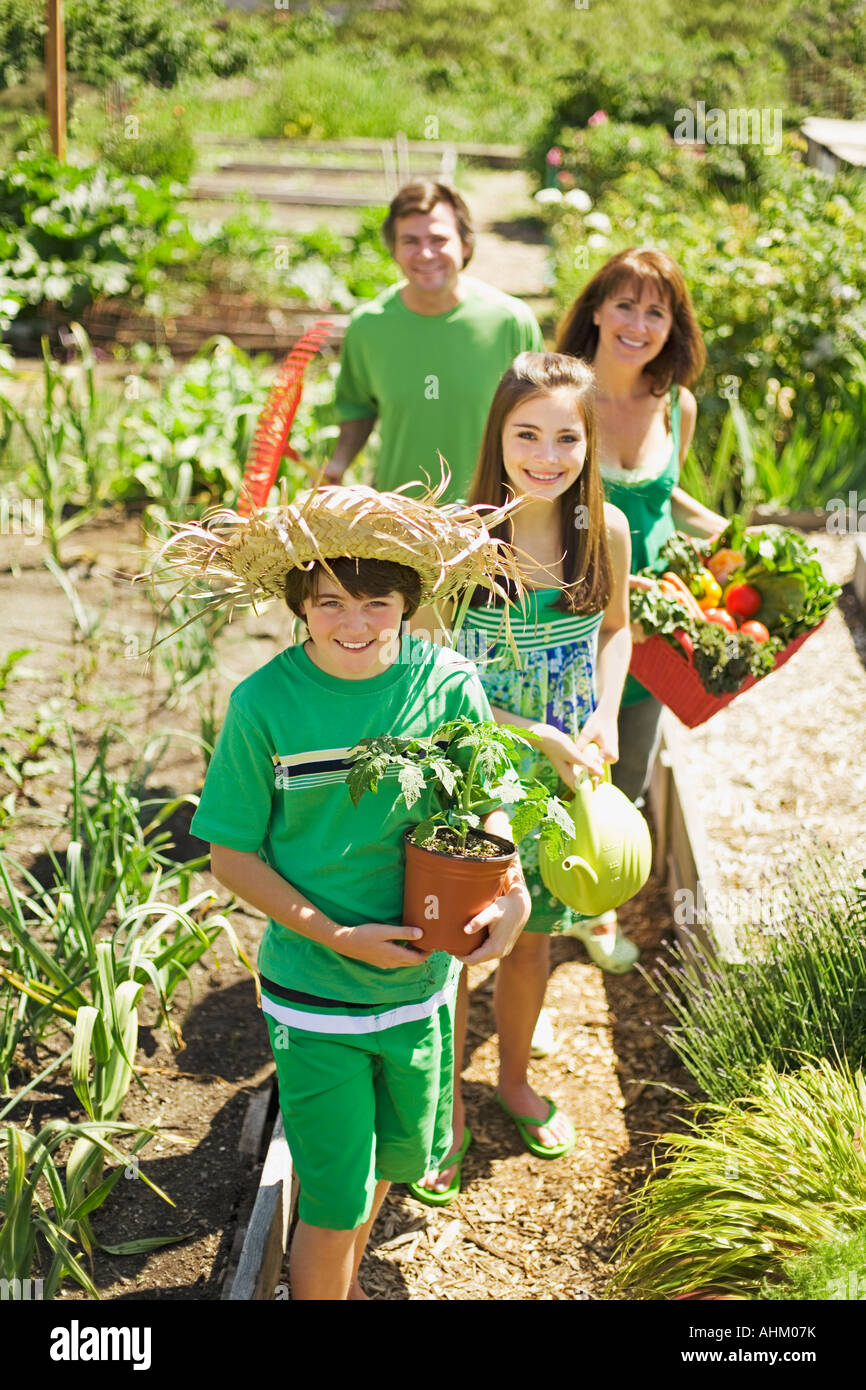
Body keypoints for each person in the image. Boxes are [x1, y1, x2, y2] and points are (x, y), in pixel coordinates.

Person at [167, 484, 532, 1299]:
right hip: (315, 995)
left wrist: (511, 891)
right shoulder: (265, 704)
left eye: (377, 602)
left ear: (409, 604)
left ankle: (339, 1283)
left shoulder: (446, 686)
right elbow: (229, 855)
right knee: (331, 1202)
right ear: (299, 603)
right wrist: (336, 934)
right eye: (330, 602)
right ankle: (323, 1283)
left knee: (396, 1162)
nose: (355, 624)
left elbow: (488, 809)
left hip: (425, 985)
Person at [408, 351, 633, 1202]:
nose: (547, 455)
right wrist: (533, 733)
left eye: (566, 437)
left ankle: (510, 1081)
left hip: (569, 760)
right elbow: (426, 672)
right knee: (462, 942)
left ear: (589, 443)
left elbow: (616, 630)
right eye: (526, 434)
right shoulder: (463, 542)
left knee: (532, 936)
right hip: (479, 762)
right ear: (496, 437)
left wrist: (605, 713)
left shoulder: (600, 532)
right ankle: (444, 1112)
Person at [557, 247, 727, 814]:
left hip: (650, 630)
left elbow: (657, 495)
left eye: (657, 312)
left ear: (673, 327)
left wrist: (737, 541)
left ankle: (598, 901)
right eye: (625, 305)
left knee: (622, 791)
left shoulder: (677, 406)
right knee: (554, 786)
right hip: (568, 618)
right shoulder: (560, 400)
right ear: (597, 312)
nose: (638, 324)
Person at [325, 181, 544, 502]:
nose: (425, 253)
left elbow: (542, 417)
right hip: (398, 520)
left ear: (465, 245)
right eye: (410, 241)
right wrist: (339, 463)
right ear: (394, 250)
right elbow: (358, 408)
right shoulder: (368, 326)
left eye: (439, 239)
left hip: (490, 518)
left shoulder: (511, 321)